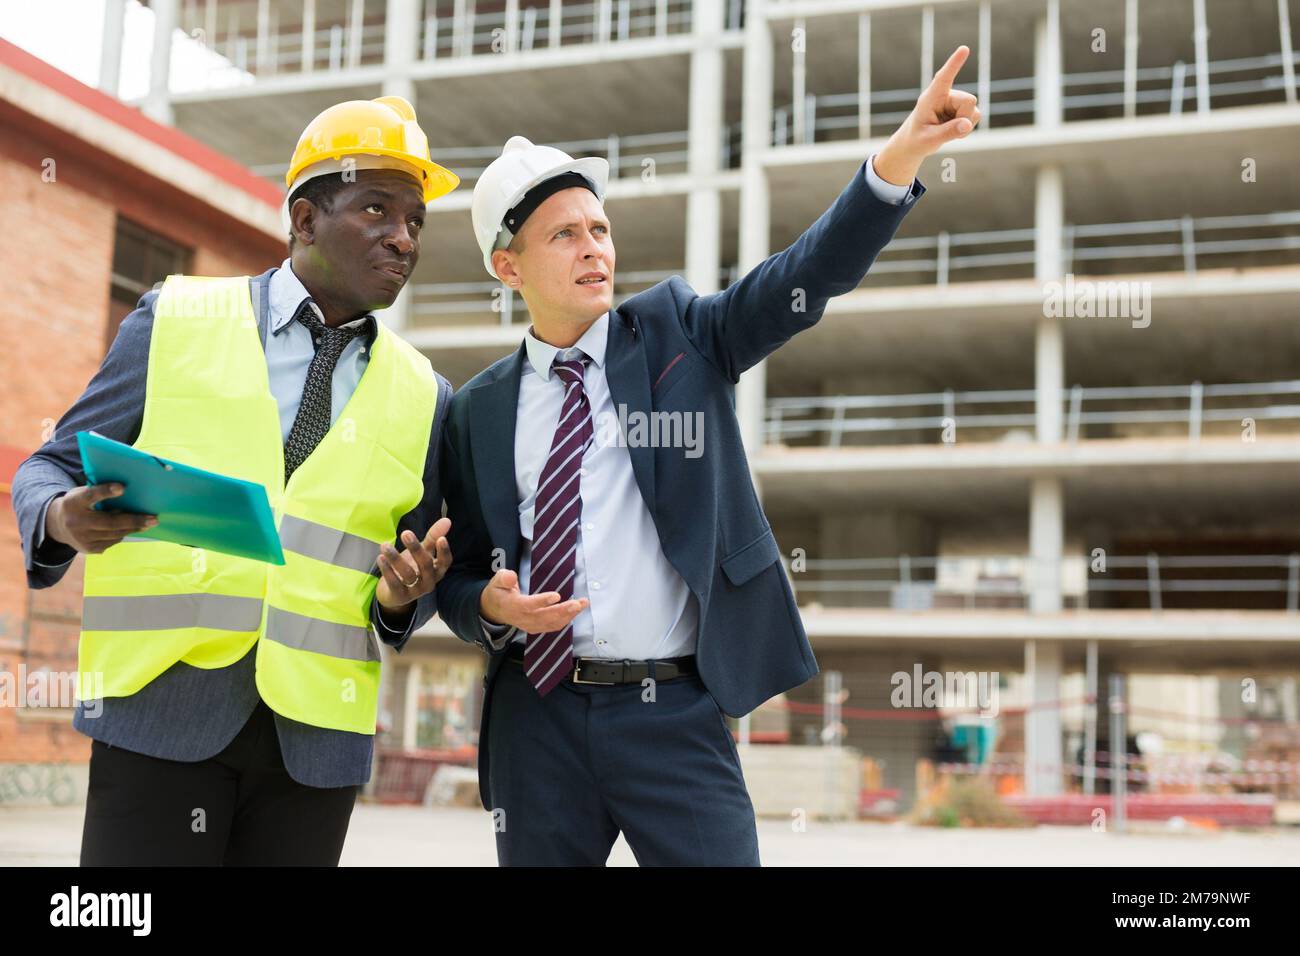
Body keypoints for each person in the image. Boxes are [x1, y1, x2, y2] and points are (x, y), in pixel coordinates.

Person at [436, 49, 980, 865]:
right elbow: (456, 570)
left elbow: (801, 278)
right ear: (507, 265)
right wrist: (490, 607)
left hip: (673, 710)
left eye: (600, 229)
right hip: (536, 717)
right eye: (564, 235)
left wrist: (895, 159)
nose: (594, 249)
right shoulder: (477, 408)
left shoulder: (677, 333)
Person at [10, 95, 459, 866]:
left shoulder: (426, 395)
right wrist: (60, 517)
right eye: (377, 209)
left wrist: (401, 600)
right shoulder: (175, 320)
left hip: (313, 746)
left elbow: (400, 576)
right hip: (160, 715)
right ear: (305, 219)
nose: (402, 236)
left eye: (415, 220)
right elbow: (47, 466)